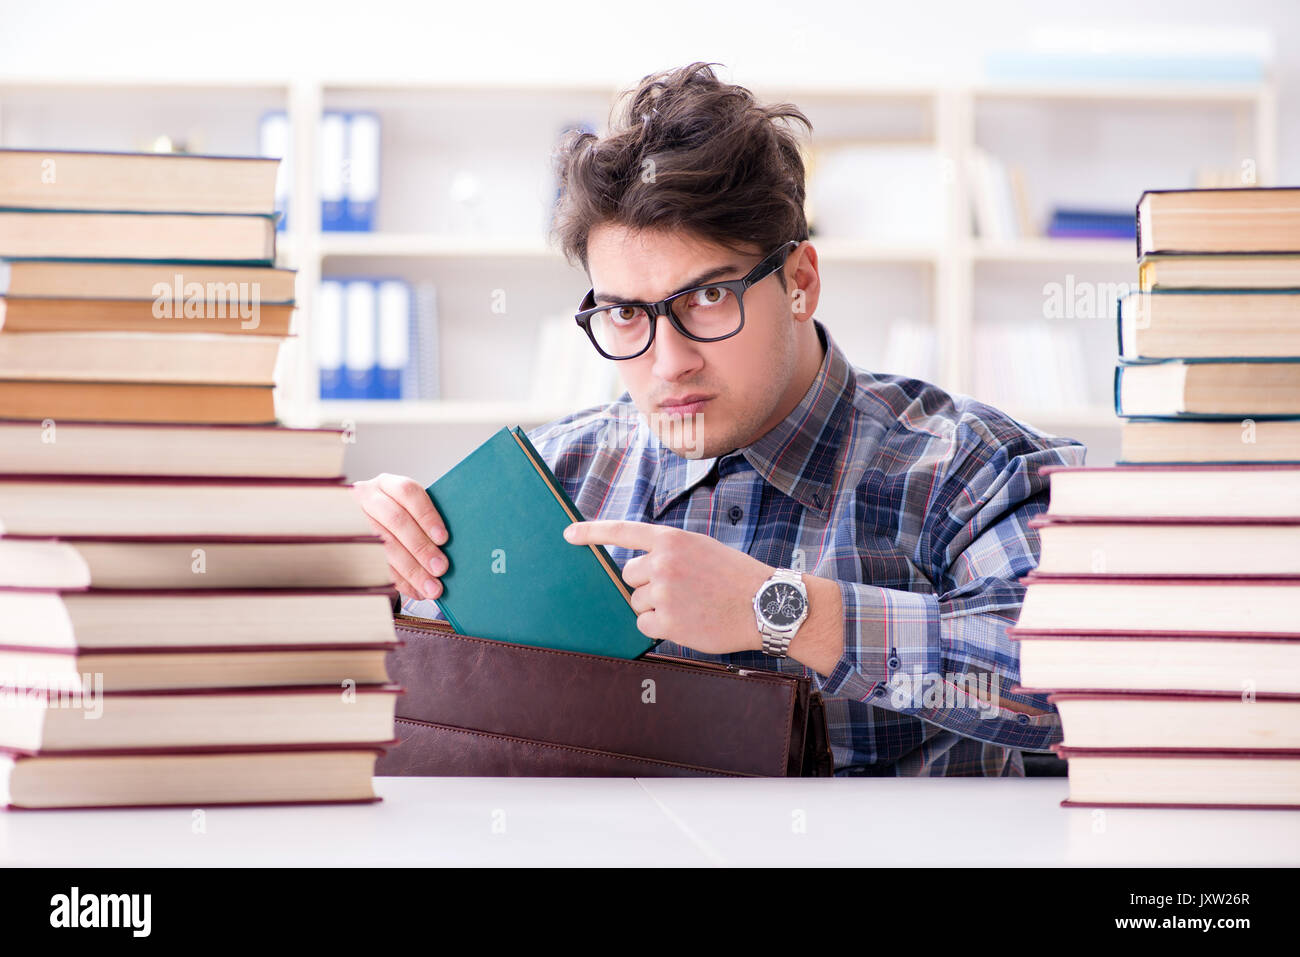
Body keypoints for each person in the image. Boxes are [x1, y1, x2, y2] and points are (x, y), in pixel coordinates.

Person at [352, 61, 1088, 776]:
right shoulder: (546, 484)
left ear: (800, 282)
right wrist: (347, 566)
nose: (668, 361)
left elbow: (1076, 685)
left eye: (707, 299)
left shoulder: (969, 466)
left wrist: (784, 610)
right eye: (626, 313)